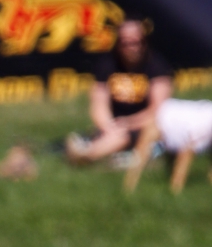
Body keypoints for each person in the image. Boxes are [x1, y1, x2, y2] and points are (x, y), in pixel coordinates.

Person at [65, 19, 173, 166]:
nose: (131, 48)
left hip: (147, 126)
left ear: (144, 42)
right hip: (115, 126)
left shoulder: (157, 66)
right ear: (118, 44)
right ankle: (92, 153)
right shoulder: (107, 64)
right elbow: (98, 103)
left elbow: (158, 110)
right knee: (118, 136)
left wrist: (128, 123)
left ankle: (86, 155)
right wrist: (108, 126)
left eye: (136, 42)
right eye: (125, 43)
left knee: (122, 137)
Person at [124, 97, 212, 193]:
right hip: (164, 116)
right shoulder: (203, 127)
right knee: (142, 154)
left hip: (172, 112)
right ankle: (174, 189)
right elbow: (185, 154)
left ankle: (129, 188)